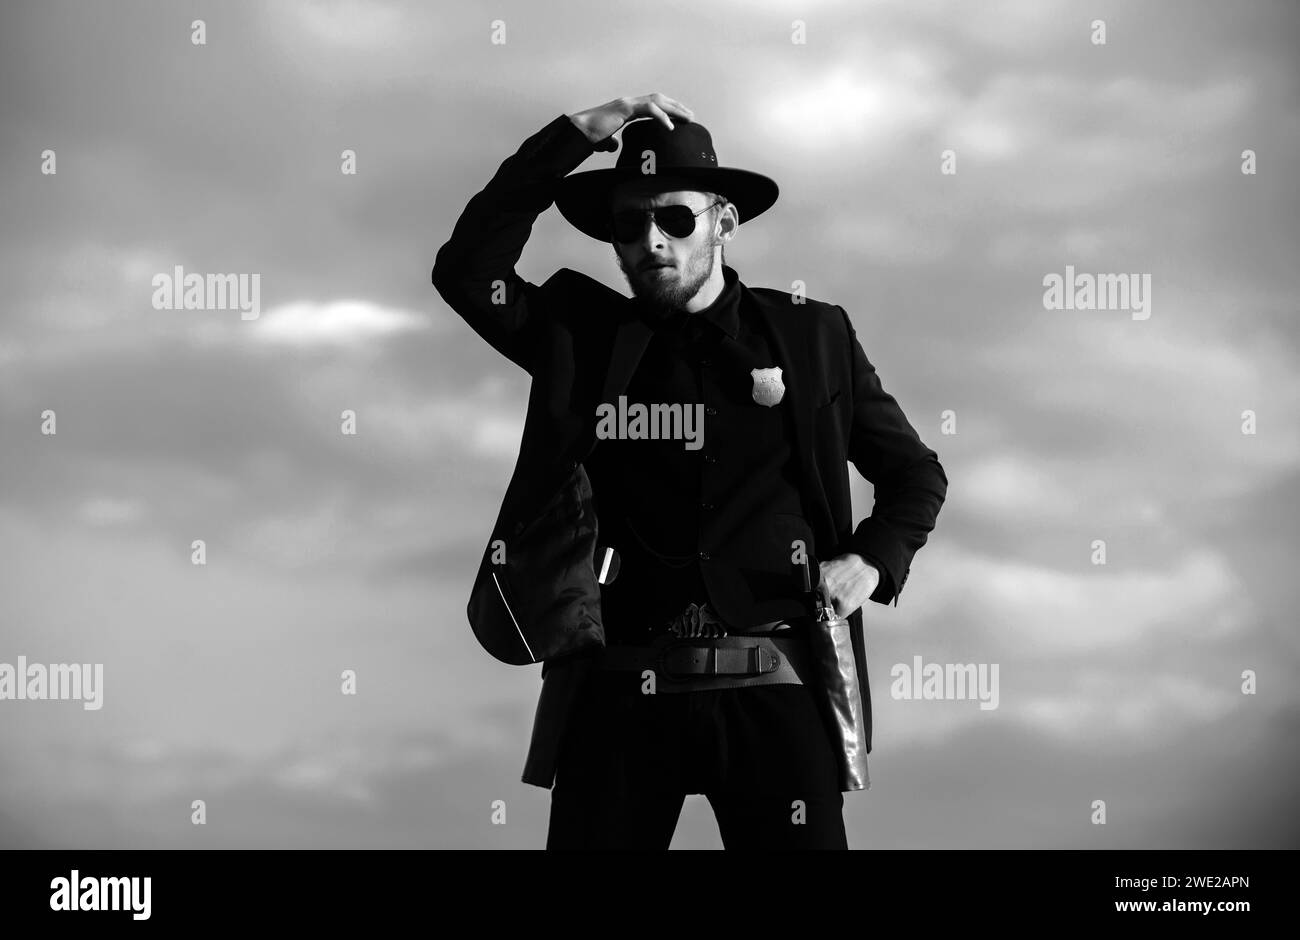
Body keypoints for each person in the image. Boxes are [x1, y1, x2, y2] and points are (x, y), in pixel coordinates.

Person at [433, 93, 947, 849]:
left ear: (723, 221)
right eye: (629, 223)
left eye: (675, 218)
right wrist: (571, 139)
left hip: (778, 686)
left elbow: (915, 474)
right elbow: (468, 270)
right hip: (617, 693)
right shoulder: (579, 335)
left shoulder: (812, 337)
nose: (652, 240)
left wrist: (871, 560)